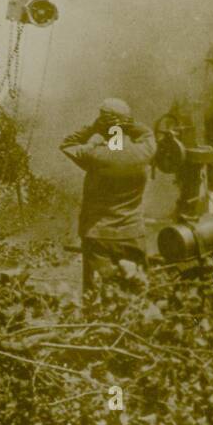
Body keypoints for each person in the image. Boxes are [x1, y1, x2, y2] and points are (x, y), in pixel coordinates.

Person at [60, 98, 157, 298]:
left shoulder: (95, 156)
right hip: (132, 233)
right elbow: (146, 133)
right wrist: (127, 123)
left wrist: (97, 126)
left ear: (103, 123)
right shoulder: (143, 151)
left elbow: (67, 143)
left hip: (98, 235)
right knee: (137, 292)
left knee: (97, 294)